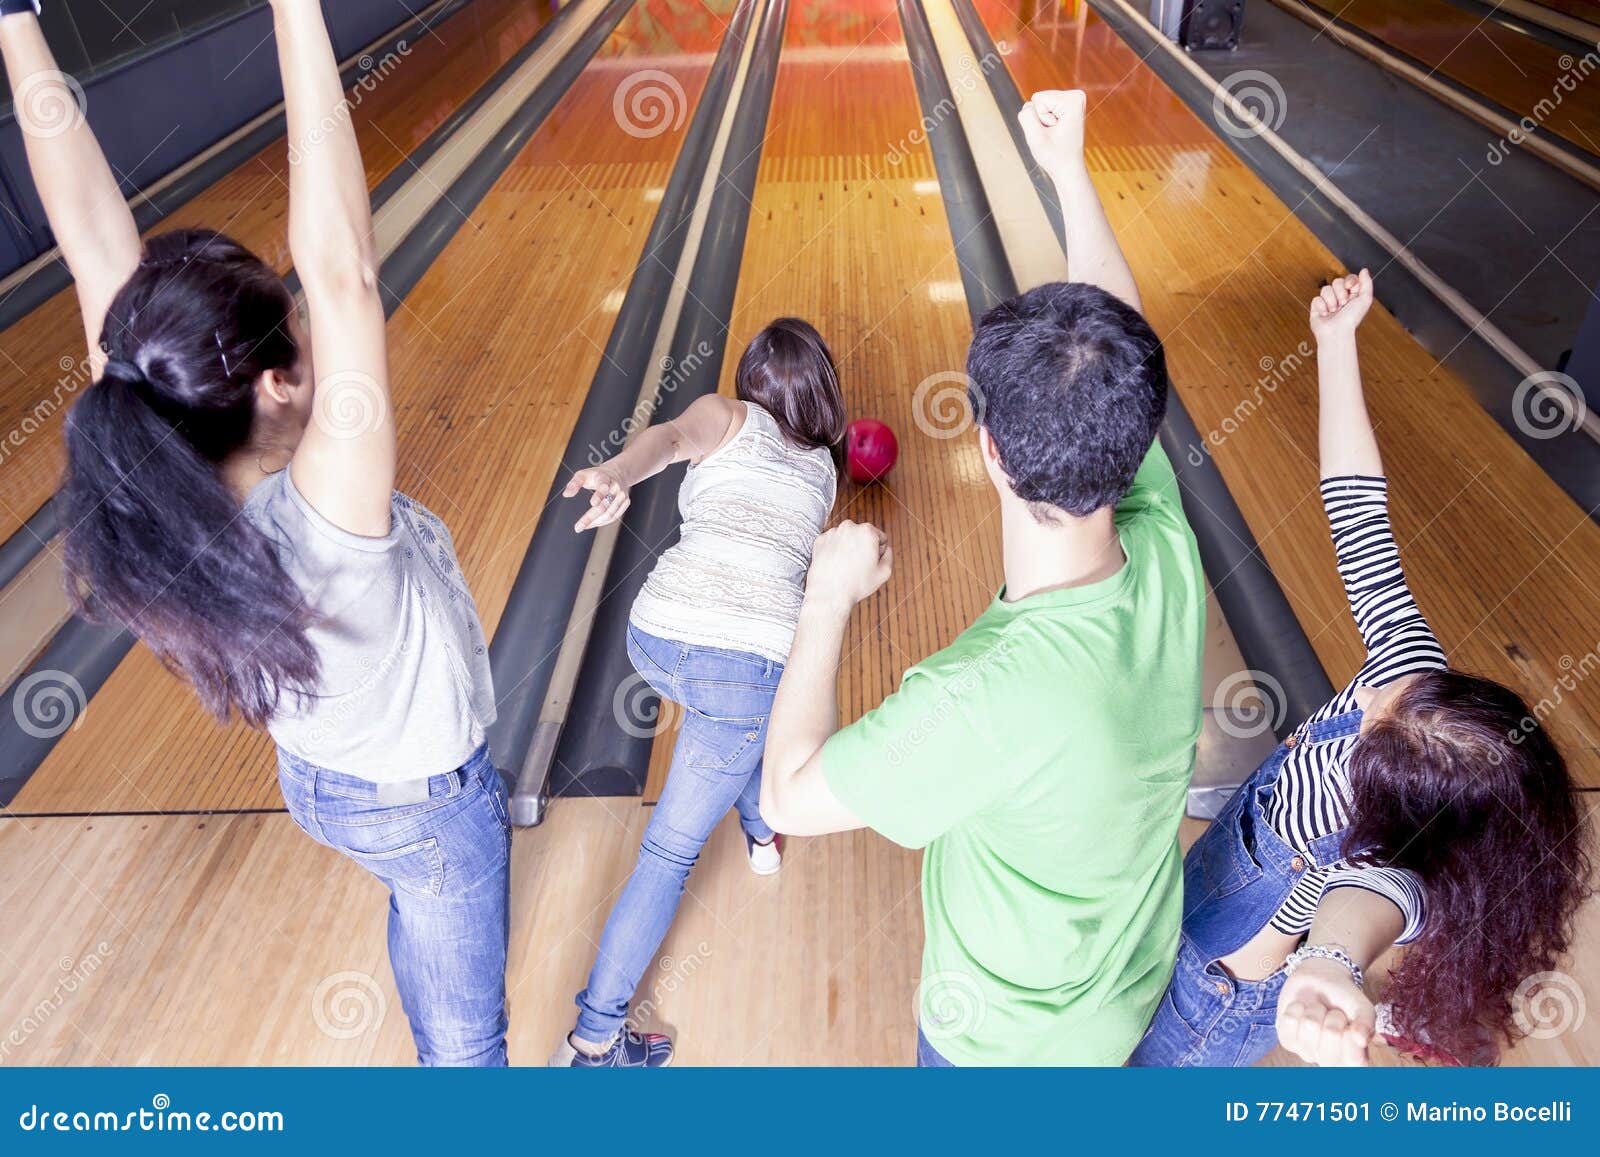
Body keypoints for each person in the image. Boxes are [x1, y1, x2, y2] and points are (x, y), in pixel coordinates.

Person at [1, 0, 507, 1065]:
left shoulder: (155, 450)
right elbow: (345, 272)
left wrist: (14, 22)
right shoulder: (330, 507)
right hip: (422, 795)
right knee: (472, 1044)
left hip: (323, 780)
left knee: (416, 910)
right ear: (278, 384)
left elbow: (94, 239)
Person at [759, 90, 1206, 1066]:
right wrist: (1068, 173)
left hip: (1000, 1052)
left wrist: (825, 598)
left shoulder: (983, 693)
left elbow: (788, 795)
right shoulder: (1165, 541)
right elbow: (1119, 337)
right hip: (1124, 998)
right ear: (1136, 436)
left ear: (989, 452)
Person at [1128, 270, 1593, 1068]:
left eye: (1376, 723)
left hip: (1216, 993)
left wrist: (1329, 963)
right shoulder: (1413, 676)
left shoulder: (1397, 863)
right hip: (1197, 891)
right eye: (1401, 696)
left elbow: (1365, 903)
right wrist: (1337, 345)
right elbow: (1357, 509)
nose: (1375, 693)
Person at [550, 319, 845, 1067]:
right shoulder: (825, 473)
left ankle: (757, 828)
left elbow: (670, 440)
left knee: (737, 722)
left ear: (750, 383)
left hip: (657, 634)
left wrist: (616, 472)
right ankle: (592, 1040)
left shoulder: (724, 414)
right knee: (668, 852)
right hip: (740, 666)